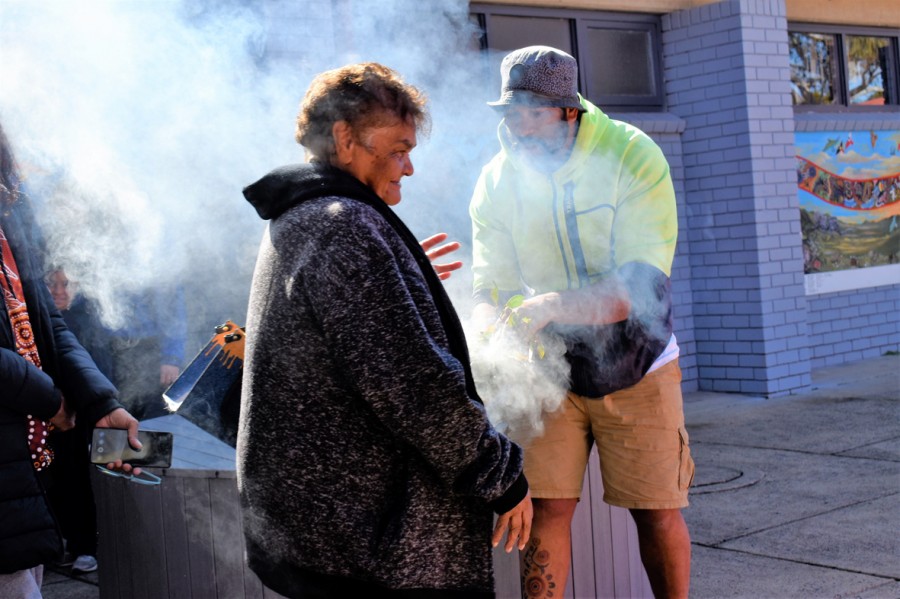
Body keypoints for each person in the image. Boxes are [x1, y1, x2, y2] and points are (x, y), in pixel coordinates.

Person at [238, 62, 532, 598]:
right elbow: (414, 386)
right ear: (345, 139)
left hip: (328, 538)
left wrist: (404, 274)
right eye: (398, 149)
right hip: (372, 549)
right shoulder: (341, 225)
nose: (409, 167)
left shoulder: (306, 217)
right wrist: (502, 476)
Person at [469, 46, 694, 598]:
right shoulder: (496, 179)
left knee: (655, 511)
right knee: (547, 507)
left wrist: (547, 307)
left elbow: (635, 290)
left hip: (639, 363)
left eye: (531, 110)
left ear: (570, 110)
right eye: (509, 110)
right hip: (550, 368)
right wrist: (489, 330)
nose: (517, 124)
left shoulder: (631, 155)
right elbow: (488, 284)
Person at [0, 123, 142, 597]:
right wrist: (52, 400)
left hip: (22, 470)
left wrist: (100, 400)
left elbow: (47, 323)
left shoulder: (10, 219)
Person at [44, 268, 114, 574]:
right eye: (52, 284)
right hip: (50, 414)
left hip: (83, 414)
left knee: (84, 479)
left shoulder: (89, 321)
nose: (59, 291)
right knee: (58, 478)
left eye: (66, 284)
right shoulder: (39, 319)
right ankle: (70, 542)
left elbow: (97, 370)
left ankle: (89, 546)